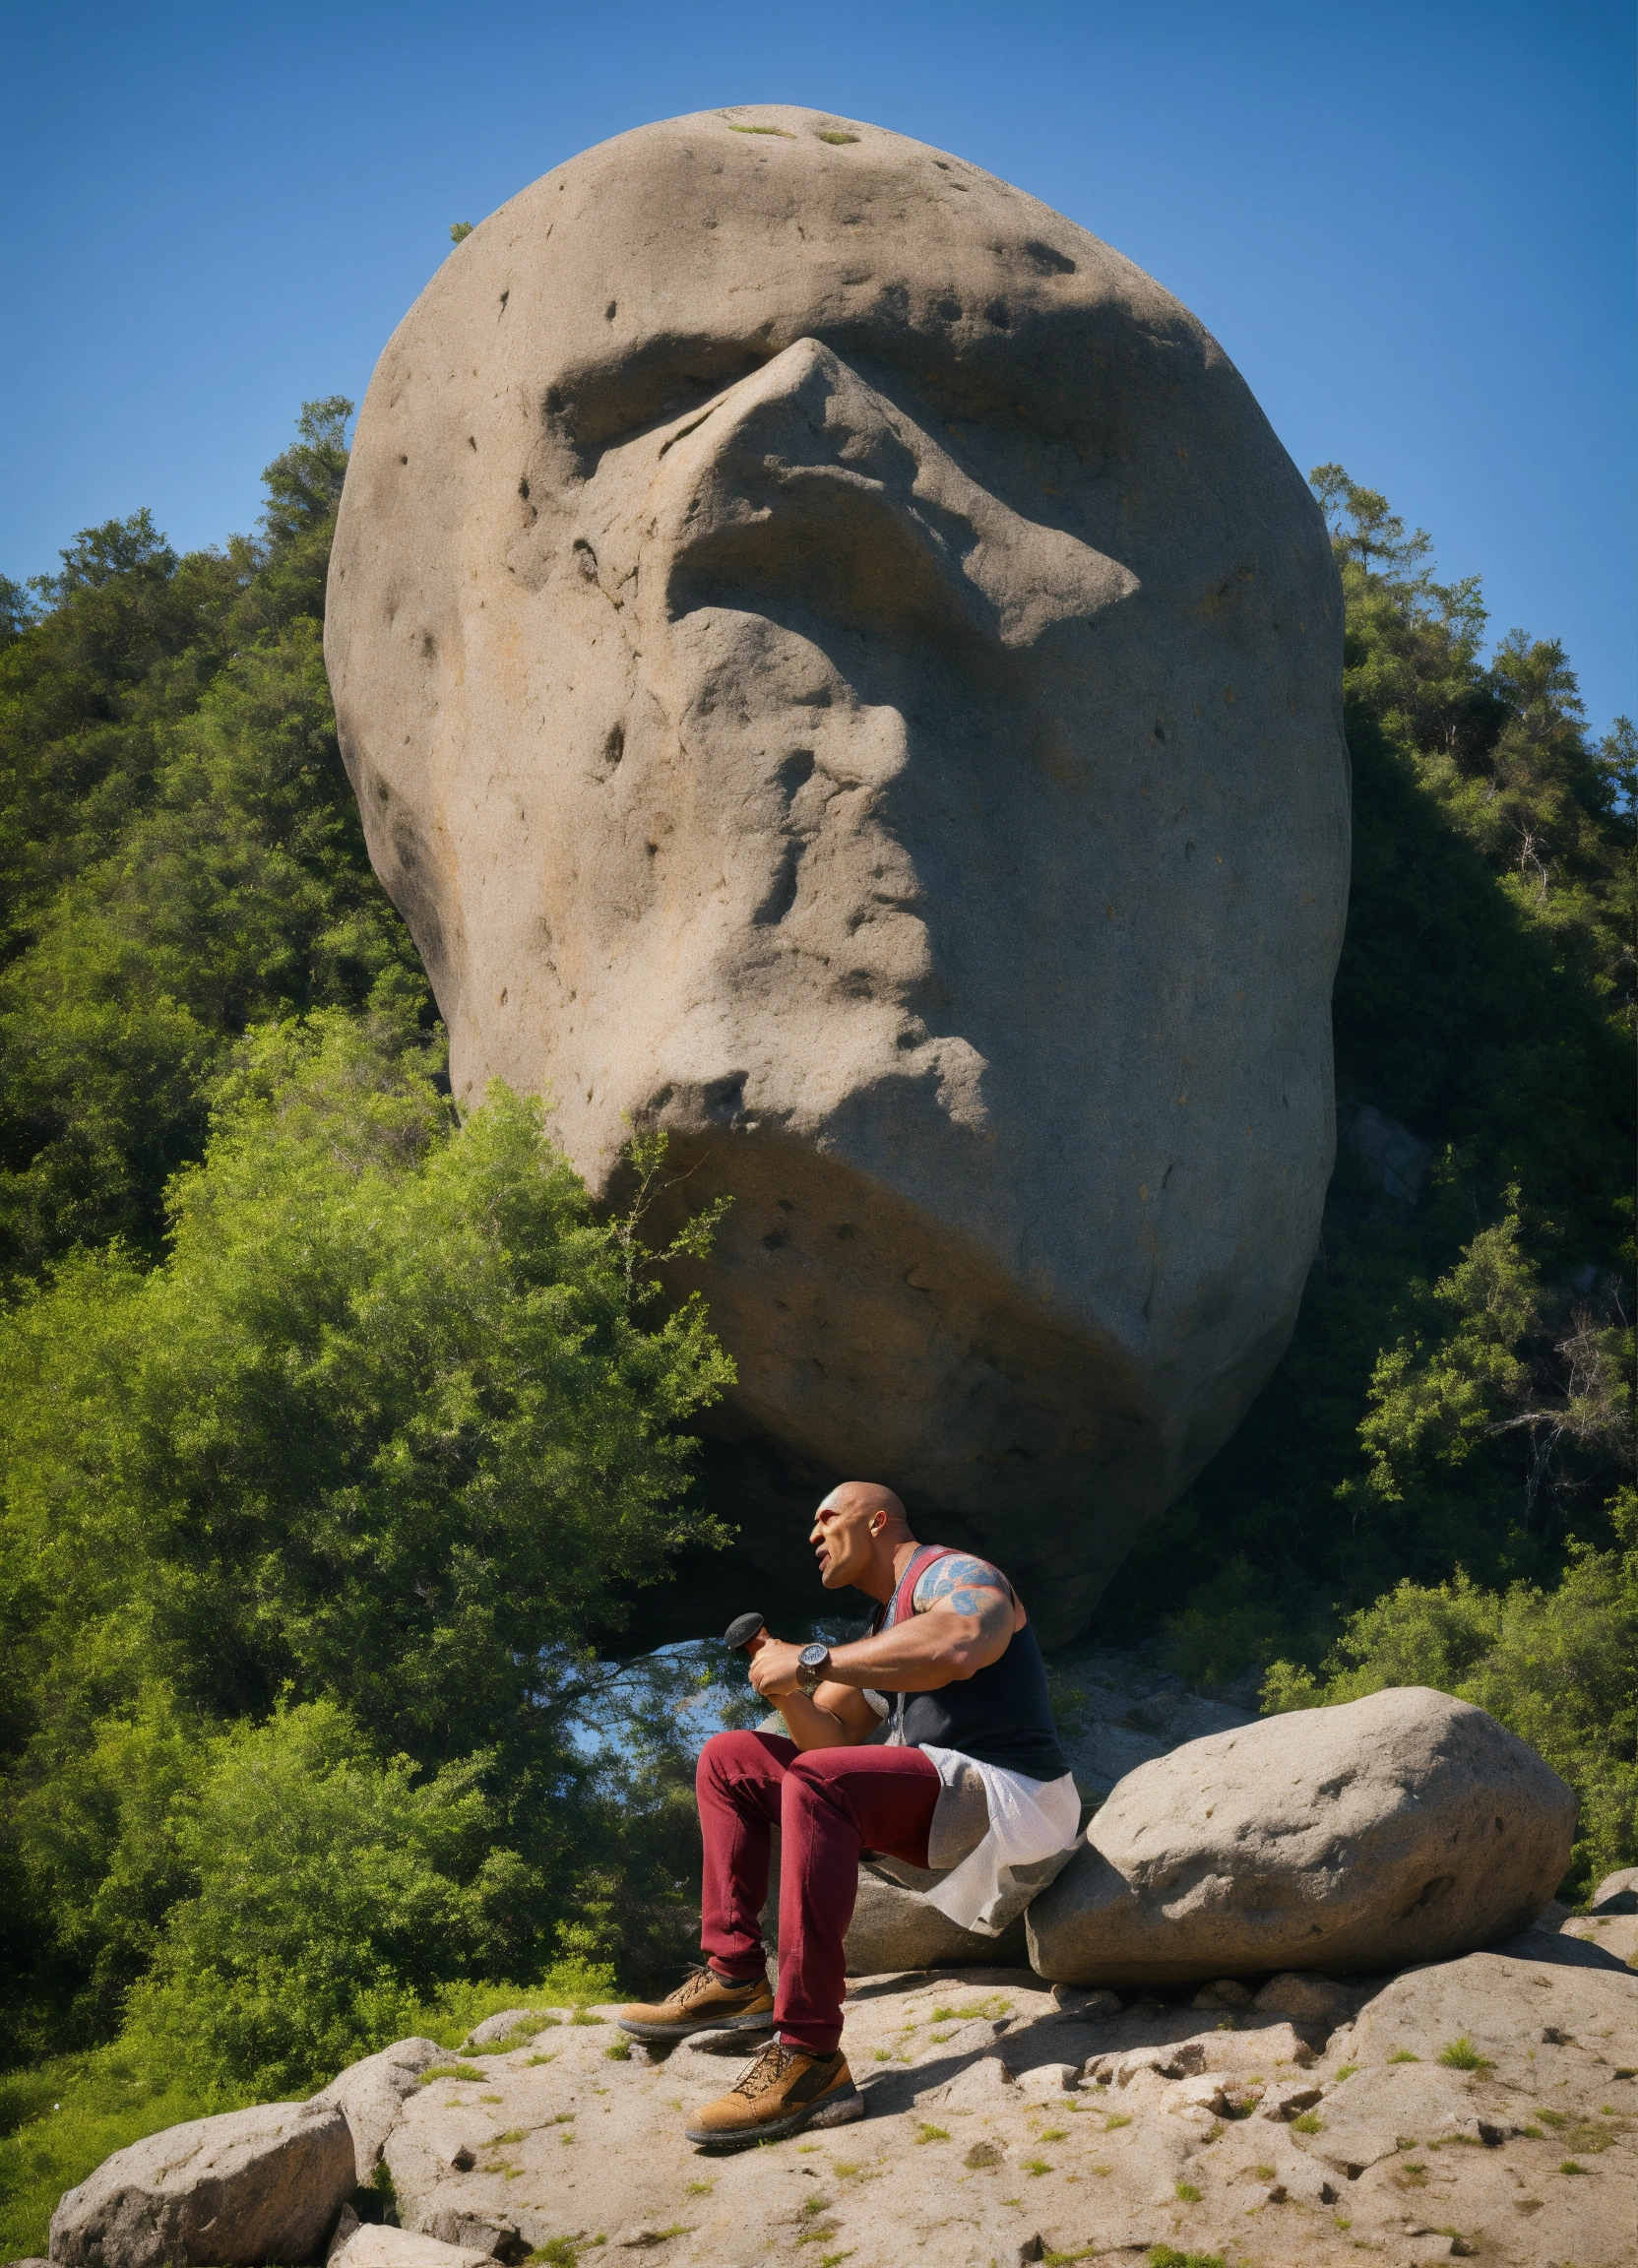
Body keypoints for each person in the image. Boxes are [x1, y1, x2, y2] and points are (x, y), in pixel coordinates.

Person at [617, 1481, 1079, 2146]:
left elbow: (960, 1643)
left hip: (1014, 1798)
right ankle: (735, 1977)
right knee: (729, 1757)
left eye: (827, 1517)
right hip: (937, 1801)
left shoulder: (950, 1572)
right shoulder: (879, 1632)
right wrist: (790, 1692)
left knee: (817, 1782)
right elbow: (829, 1742)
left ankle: (809, 2056)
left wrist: (810, 1662)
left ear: (878, 1521)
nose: (812, 1533)